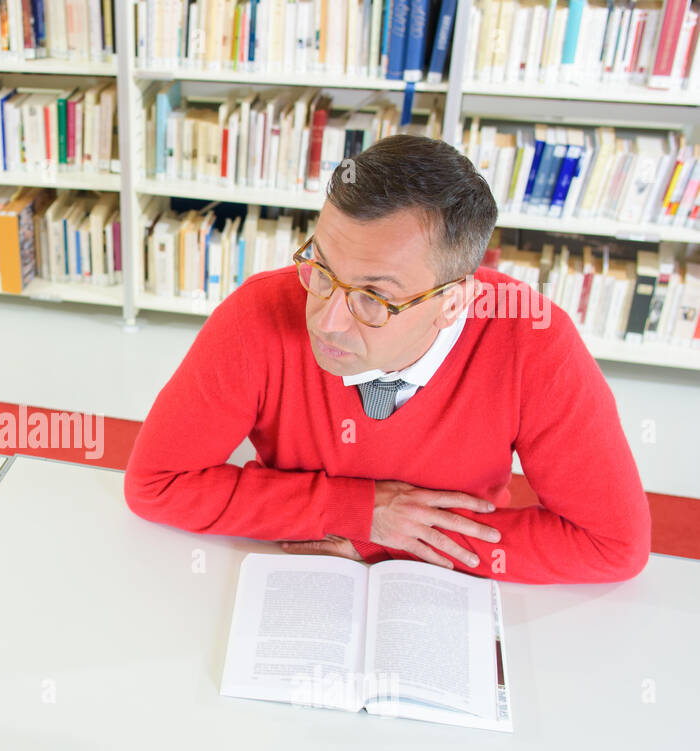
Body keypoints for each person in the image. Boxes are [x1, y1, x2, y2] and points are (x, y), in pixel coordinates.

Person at [123, 134, 650, 585]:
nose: (326, 320)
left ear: (453, 303)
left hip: (442, 596)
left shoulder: (535, 341)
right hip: (295, 577)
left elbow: (613, 543)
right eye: (321, 269)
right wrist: (359, 513)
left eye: (374, 297)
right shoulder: (257, 314)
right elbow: (155, 483)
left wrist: (384, 540)